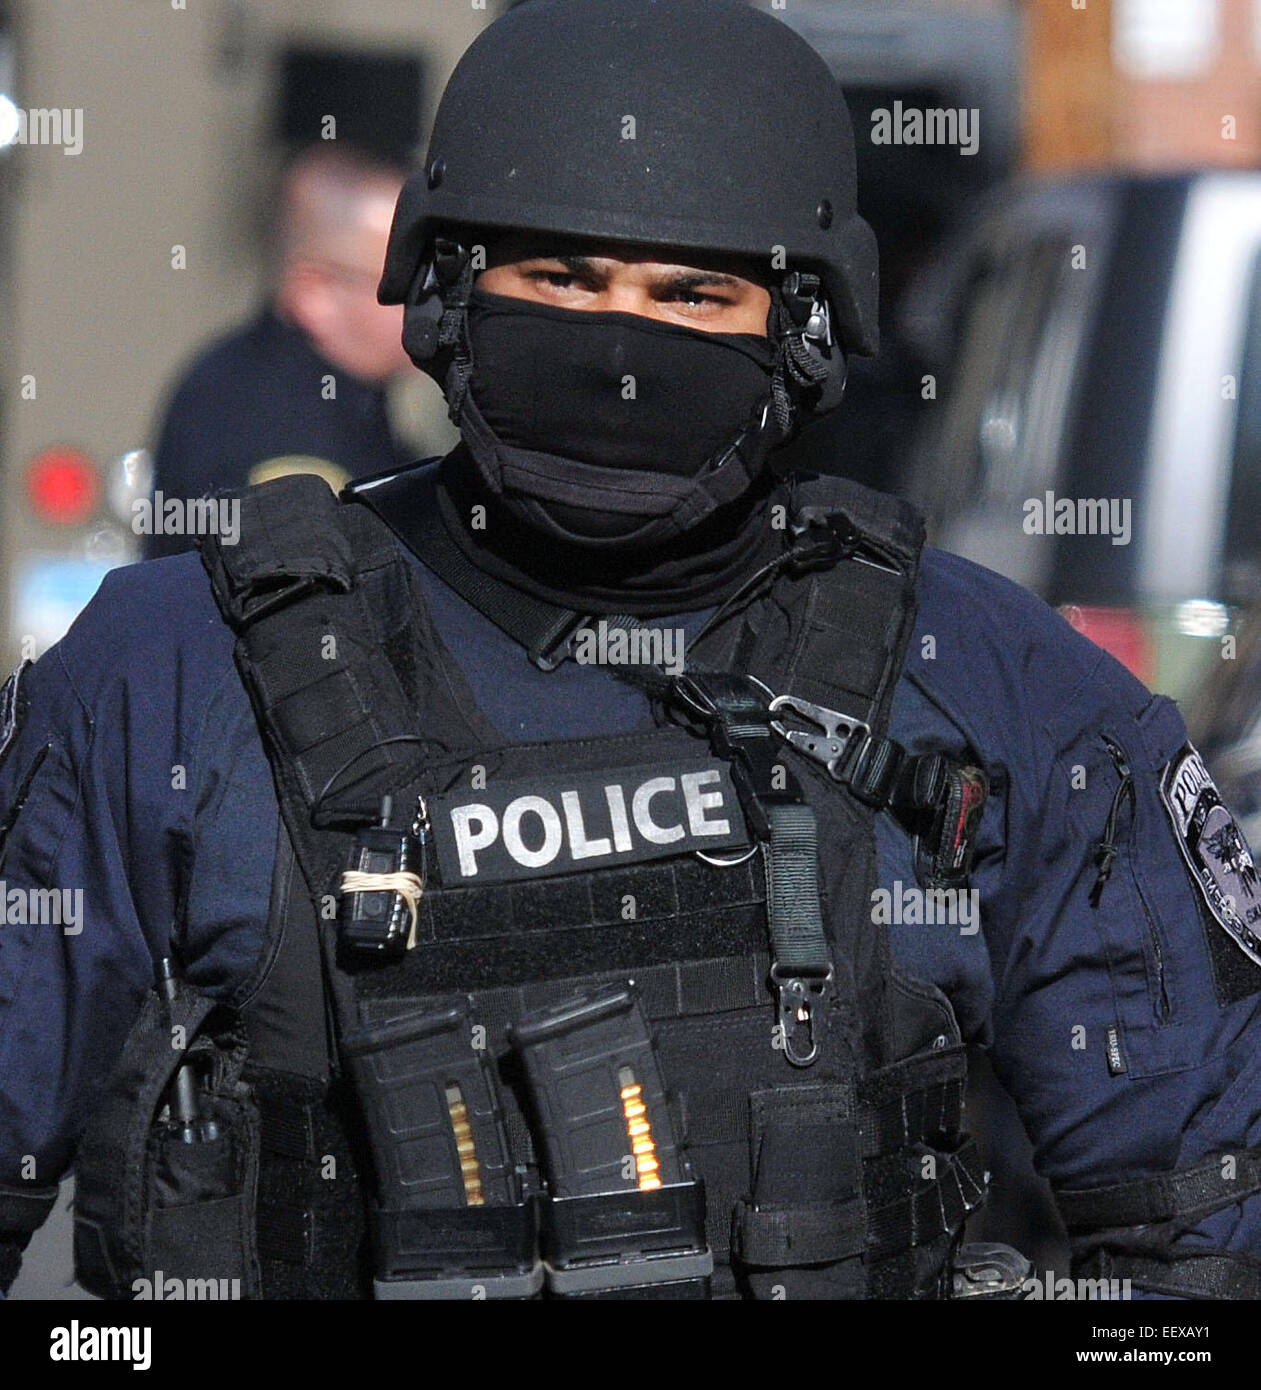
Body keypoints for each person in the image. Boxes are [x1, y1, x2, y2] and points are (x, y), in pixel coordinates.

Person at [2, 0, 1260, 1302]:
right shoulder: (169, 674)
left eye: (691, 293)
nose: (618, 342)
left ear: (802, 328)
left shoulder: (996, 686)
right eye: (558, 278)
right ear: (445, 290)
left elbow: (1209, 1221)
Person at [143, 142, 423, 560]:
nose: (429, 300)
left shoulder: (253, 378)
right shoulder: (283, 432)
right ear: (315, 295)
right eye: (404, 284)